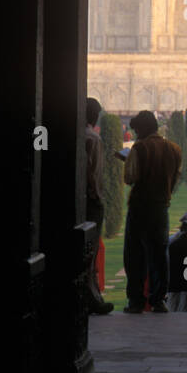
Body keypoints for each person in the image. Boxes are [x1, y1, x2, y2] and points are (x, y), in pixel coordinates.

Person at [120, 110, 182, 314]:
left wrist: (127, 161)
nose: (136, 133)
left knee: (135, 254)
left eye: (137, 130)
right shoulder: (173, 149)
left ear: (143, 129)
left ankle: (136, 301)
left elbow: (130, 178)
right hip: (161, 207)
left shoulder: (140, 148)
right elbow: (174, 178)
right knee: (159, 255)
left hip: (140, 207)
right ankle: (159, 300)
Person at [84, 98, 113, 314]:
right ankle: (92, 298)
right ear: (95, 116)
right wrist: (97, 198)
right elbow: (94, 174)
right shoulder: (92, 138)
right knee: (90, 252)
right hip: (90, 202)